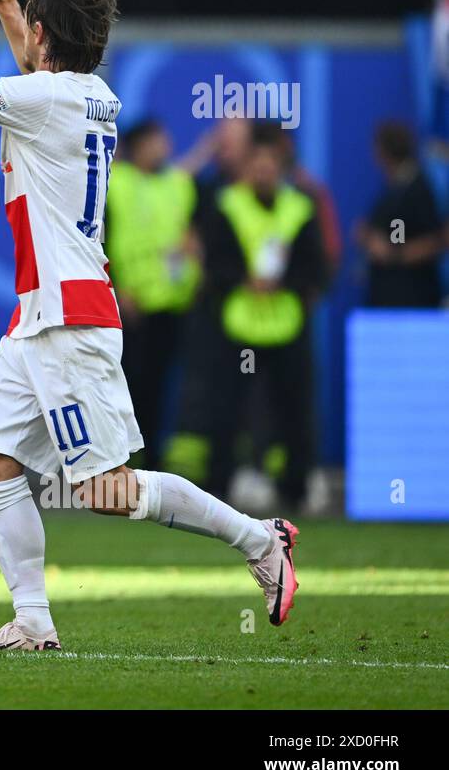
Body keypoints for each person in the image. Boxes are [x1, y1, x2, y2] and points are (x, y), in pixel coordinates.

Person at [0, 0, 300, 653]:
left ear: (43, 37)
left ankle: (261, 539)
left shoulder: (45, 97)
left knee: (105, 489)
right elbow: (34, 83)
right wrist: (11, 5)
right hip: (42, 318)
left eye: (29, 27)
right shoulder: (90, 95)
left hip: (68, 318)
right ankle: (33, 620)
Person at [199, 122, 330, 507]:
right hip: (240, 328)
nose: (263, 172)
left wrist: (284, 282)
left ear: (280, 168)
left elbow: (316, 268)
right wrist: (243, 280)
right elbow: (214, 264)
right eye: (257, 166)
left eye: (270, 166)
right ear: (247, 168)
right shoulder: (227, 205)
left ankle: (297, 487)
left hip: (286, 326)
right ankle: (219, 485)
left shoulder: (301, 208)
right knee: (227, 408)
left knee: (295, 411)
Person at [104, 118, 200, 462]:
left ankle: (153, 460)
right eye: (154, 141)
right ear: (137, 147)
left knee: (160, 386)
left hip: (171, 303)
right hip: (129, 303)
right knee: (124, 383)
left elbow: (192, 230)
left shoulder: (179, 184)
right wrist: (117, 290)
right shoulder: (117, 184)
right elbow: (102, 240)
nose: (162, 147)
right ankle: (118, 459)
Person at [356, 120, 445, 307]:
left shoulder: (419, 189)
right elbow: (397, 231)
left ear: (384, 152)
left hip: (412, 300)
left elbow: (437, 240)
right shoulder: (395, 186)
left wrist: (393, 253)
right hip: (387, 296)